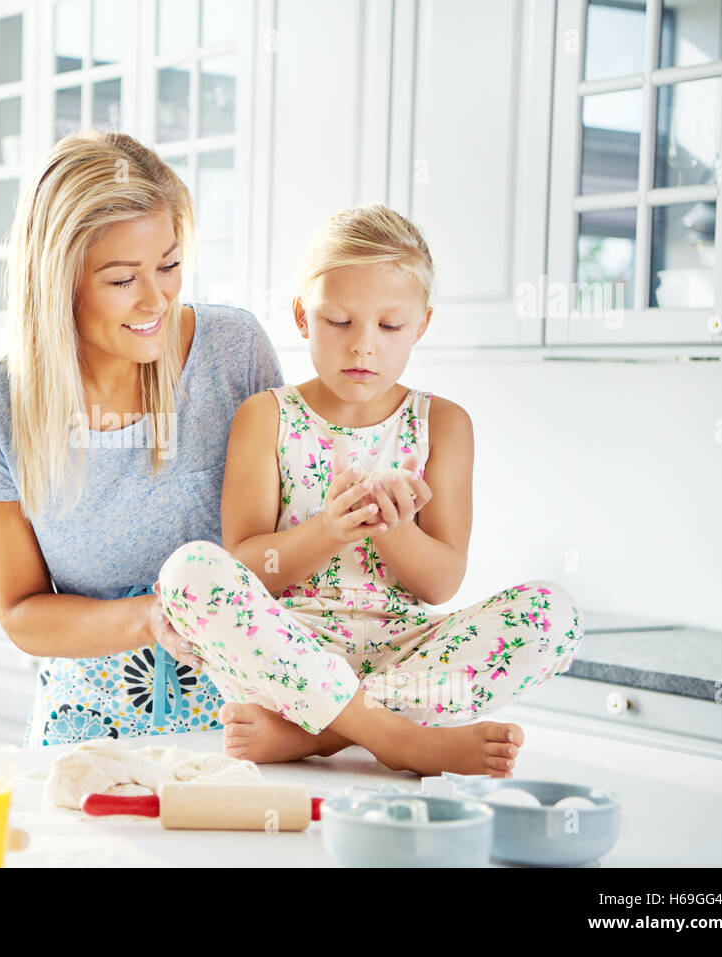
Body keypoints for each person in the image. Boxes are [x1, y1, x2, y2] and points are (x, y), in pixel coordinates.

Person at [156, 203, 585, 776]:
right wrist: (329, 530)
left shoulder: (444, 424)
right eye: (338, 322)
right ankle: (398, 739)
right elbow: (246, 568)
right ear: (302, 317)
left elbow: (439, 584)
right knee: (188, 572)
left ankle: (320, 734)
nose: (363, 346)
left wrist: (395, 530)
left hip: (404, 656)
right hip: (287, 655)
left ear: (422, 325)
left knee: (554, 614)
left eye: (389, 326)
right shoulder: (266, 416)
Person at [0, 128, 284, 747]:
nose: (157, 299)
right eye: (123, 280)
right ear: (59, 280)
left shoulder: (234, 353)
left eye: (170, 265)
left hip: (250, 718)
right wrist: (153, 617)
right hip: (87, 730)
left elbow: (283, 540)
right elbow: (22, 613)